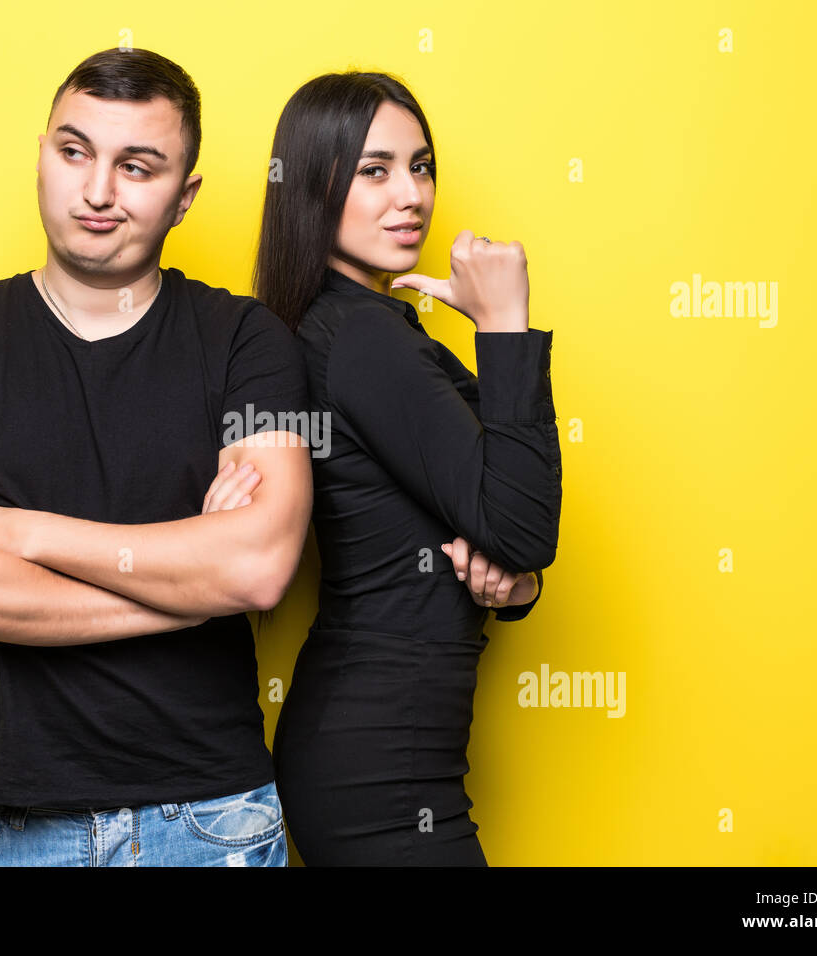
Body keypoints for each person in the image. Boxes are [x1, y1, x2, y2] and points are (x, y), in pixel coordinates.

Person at [0, 48, 313, 866]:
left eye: (137, 166)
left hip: (211, 822)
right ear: (41, 152)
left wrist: (21, 531)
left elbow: (255, 568)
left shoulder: (247, 342)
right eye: (74, 152)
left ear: (183, 200)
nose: (98, 190)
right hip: (11, 829)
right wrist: (188, 592)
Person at [253, 71, 563, 865]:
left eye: (421, 166)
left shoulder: (349, 326)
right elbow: (520, 522)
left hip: (380, 751)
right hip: (379, 765)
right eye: (375, 170)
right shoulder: (360, 337)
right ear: (314, 184)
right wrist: (504, 325)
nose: (412, 195)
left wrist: (514, 585)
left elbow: (478, 520)